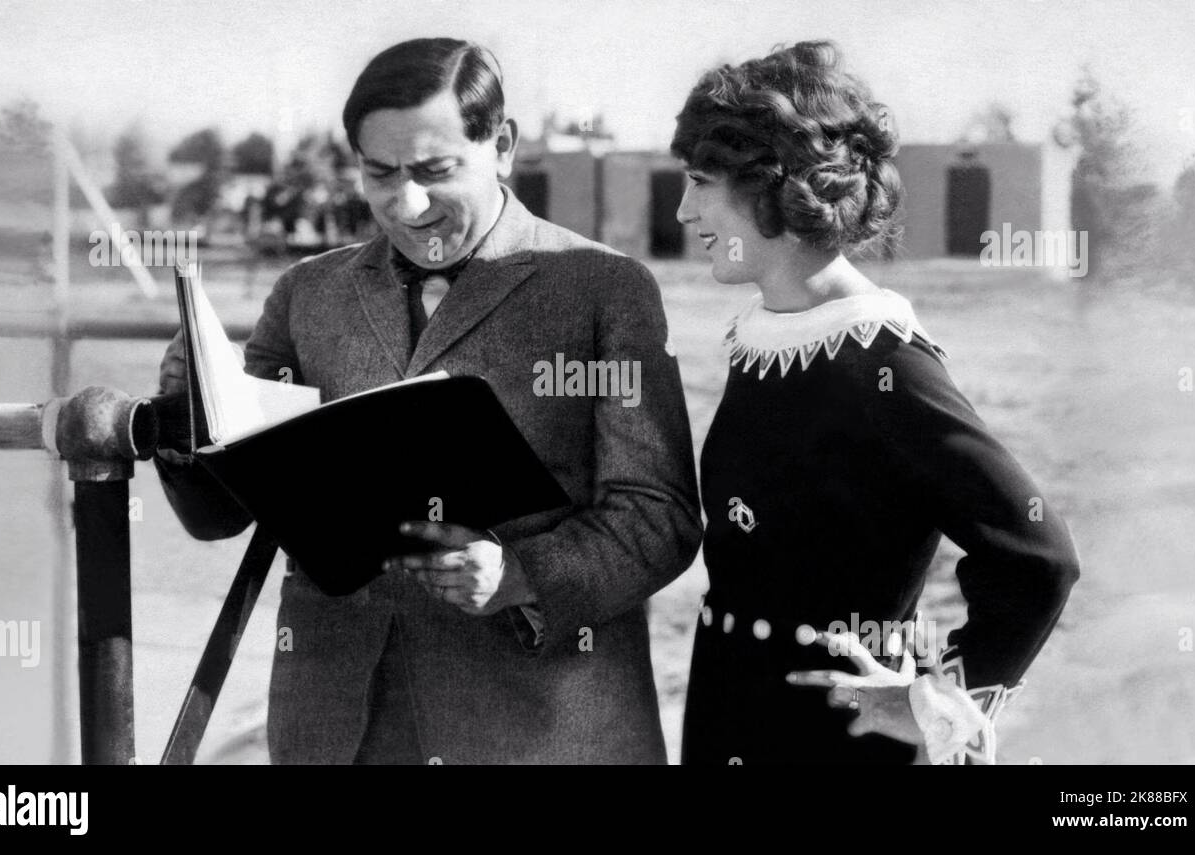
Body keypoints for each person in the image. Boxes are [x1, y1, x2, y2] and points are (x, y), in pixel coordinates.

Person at [156, 37, 702, 764]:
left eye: (435, 171)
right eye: (379, 173)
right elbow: (220, 509)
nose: (407, 204)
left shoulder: (604, 290)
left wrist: (519, 575)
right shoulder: (307, 294)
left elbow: (658, 515)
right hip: (340, 726)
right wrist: (183, 411)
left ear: (502, 146)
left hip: (535, 731)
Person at [671, 40, 1080, 764]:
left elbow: (1036, 555)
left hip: (833, 745)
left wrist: (937, 702)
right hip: (727, 725)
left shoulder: (884, 361)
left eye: (701, 182)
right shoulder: (762, 339)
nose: (681, 209)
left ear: (774, 187)